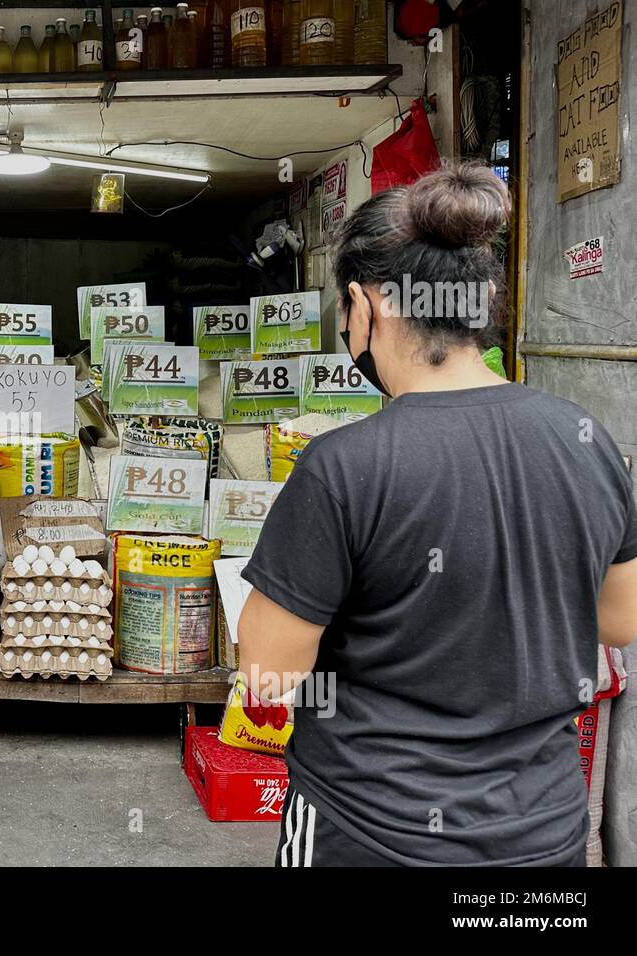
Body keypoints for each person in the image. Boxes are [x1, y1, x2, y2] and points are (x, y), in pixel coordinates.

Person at [237, 164, 637, 867]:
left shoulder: (342, 466)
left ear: (367, 305)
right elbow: (620, 619)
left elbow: (269, 671)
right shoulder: (584, 439)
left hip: (365, 829)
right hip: (539, 835)